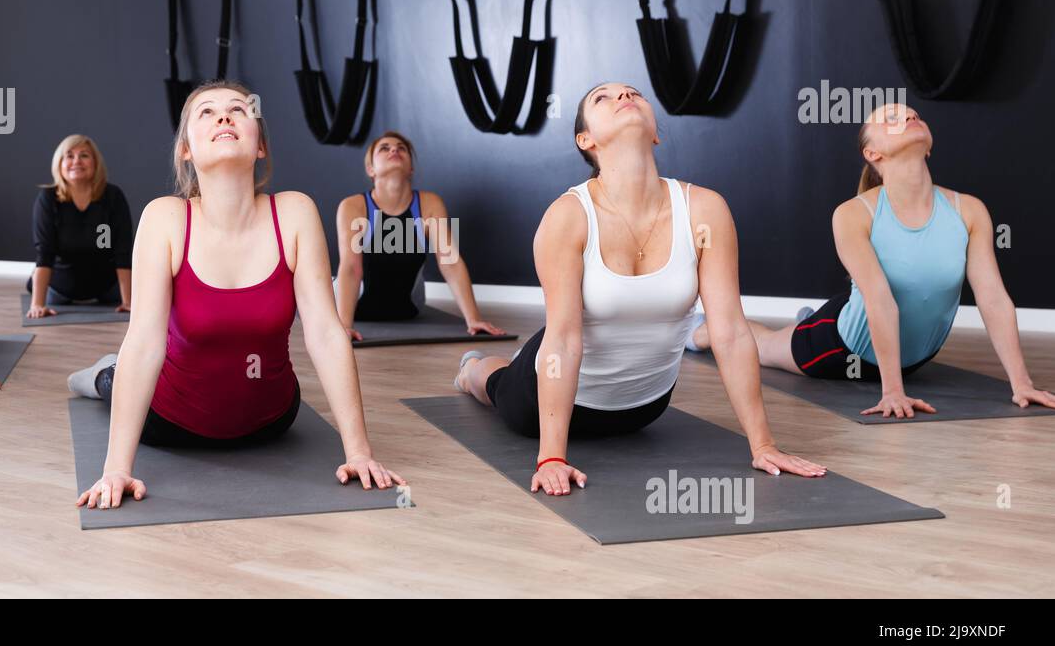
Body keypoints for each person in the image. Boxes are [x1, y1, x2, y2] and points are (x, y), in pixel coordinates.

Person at [454, 82, 826, 496]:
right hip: (547, 397)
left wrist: (764, 445)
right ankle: (472, 368)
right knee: (498, 385)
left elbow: (732, 332)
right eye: (603, 98)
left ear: (655, 133)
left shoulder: (705, 209)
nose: (623, 97)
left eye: (633, 93)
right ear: (586, 140)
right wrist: (552, 457)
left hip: (643, 407)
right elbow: (562, 339)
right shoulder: (568, 216)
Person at [69, 81, 406, 511]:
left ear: (260, 145)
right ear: (186, 150)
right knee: (112, 378)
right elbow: (144, 341)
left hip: (270, 421)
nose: (223, 116)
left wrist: (359, 452)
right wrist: (116, 467)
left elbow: (324, 331)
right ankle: (99, 375)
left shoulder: (295, 212)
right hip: (170, 419)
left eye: (237, 110)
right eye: (205, 112)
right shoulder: (165, 218)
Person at [689, 103, 1055, 418]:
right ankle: (703, 332)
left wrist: (1021, 383)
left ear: (928, 146)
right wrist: (893, 391)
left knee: (826, 316)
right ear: (872, 154)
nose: (908, 115)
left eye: (912, 114)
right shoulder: (853, 214)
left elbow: (992, 298)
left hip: (912, 356)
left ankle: (808, 318)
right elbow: (880, 299)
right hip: (844, 345)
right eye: (890, 119)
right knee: (766, 349)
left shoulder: (969, 210)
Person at [334, 130, 504, 340]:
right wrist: (342, 326)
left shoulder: (430, 204)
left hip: (408, 307)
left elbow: (450, 262)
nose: (394, 149)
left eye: (401, 148)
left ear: (411, 168)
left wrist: (474, 319)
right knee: (331, 288)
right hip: (355, 304)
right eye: (384, 148)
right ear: (371, 169)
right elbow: (351, 268)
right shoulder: (352, 206)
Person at [26, 135, 133, 318]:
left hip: (106, 289)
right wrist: (37, 305)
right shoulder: (48, 198)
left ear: (95, 163)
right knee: (38, 284)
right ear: (59, 163)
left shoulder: (112, 196)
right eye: (69, 156)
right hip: (60, 291)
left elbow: (122, 252)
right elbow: (45, 253)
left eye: (84, 155)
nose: (76, 161)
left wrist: (129, 302)